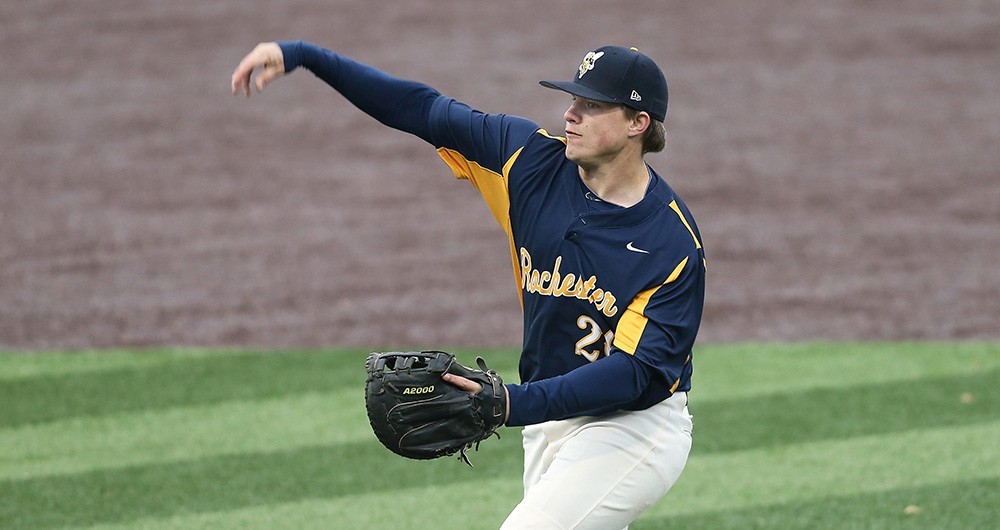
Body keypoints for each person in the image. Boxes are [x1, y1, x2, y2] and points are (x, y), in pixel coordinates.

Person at [232, 40, 704, 529]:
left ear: (637, 123)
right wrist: (306, 55)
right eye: (573, 99)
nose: (571, 114)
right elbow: (421, 109)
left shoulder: (671, 243)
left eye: (592, 105)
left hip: (633, 428)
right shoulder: (527, 161)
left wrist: (511, 402)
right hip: (548, 423)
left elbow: (635, 374)